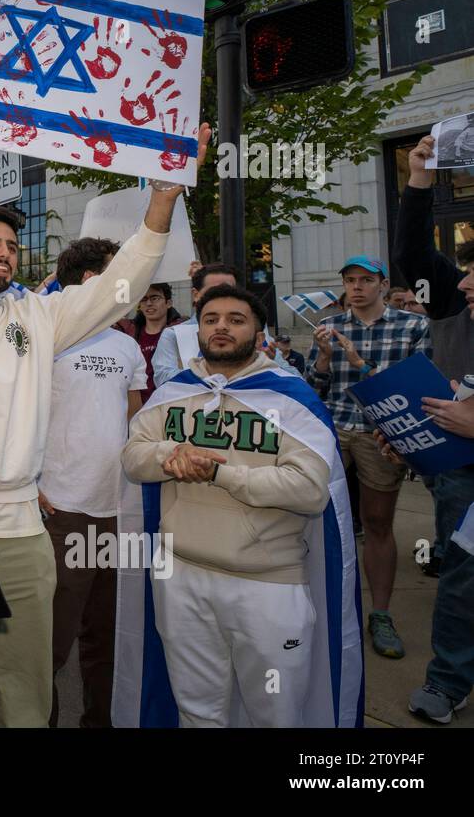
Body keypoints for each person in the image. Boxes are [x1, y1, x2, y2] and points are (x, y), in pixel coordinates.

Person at [0, 72, 196, 726]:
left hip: (23, 532)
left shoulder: (42, 316)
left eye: (13, 246)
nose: (3, 252)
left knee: (27, 696)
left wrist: (160, 203)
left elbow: (118, 288)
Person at [122, 285, 335, 726]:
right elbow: (132, 457)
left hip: (267, 584)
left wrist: (221, 474)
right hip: (181, 574)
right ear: (196, 329)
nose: (221, 327)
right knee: (197, 711)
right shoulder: (173, 393)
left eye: (236, 320)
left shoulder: (290, 399)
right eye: (211, 319)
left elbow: (310, 489)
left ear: (258, 332)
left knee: (275, 714)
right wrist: (171, 457)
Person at [43, 237, 148, 727]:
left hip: (118, 515)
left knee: (105, 638)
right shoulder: (49, 332)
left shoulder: (127, 345)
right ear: (92, 282)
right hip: (62, 512)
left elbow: (134, 424)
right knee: (50, 644)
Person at [307, 254, 430, 659]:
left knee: (377, 523)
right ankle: (319, 606)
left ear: (382, 284)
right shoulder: (329, 328)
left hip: (381, 433)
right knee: (316, 516)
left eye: (365, 279)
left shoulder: (413, 325)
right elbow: (313, 391)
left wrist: (362, 365)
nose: (356, 287)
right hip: (336, 428)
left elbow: (414, 389)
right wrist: (324, 359)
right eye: (349, 279)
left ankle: (380, 614)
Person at [394, 134, 474, 724]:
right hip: (461, 476)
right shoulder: (452, 307)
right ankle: (447, 681)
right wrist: (420, 177)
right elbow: (417, 260)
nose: (465, 284)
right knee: (463, 575)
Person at [113, 282, 184, 398]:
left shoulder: (179, 331)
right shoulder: (127, 331)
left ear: (169, 303)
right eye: (144, 299)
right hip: (134, 403)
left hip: (167, 401)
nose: (149, 303)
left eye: (155, 298)